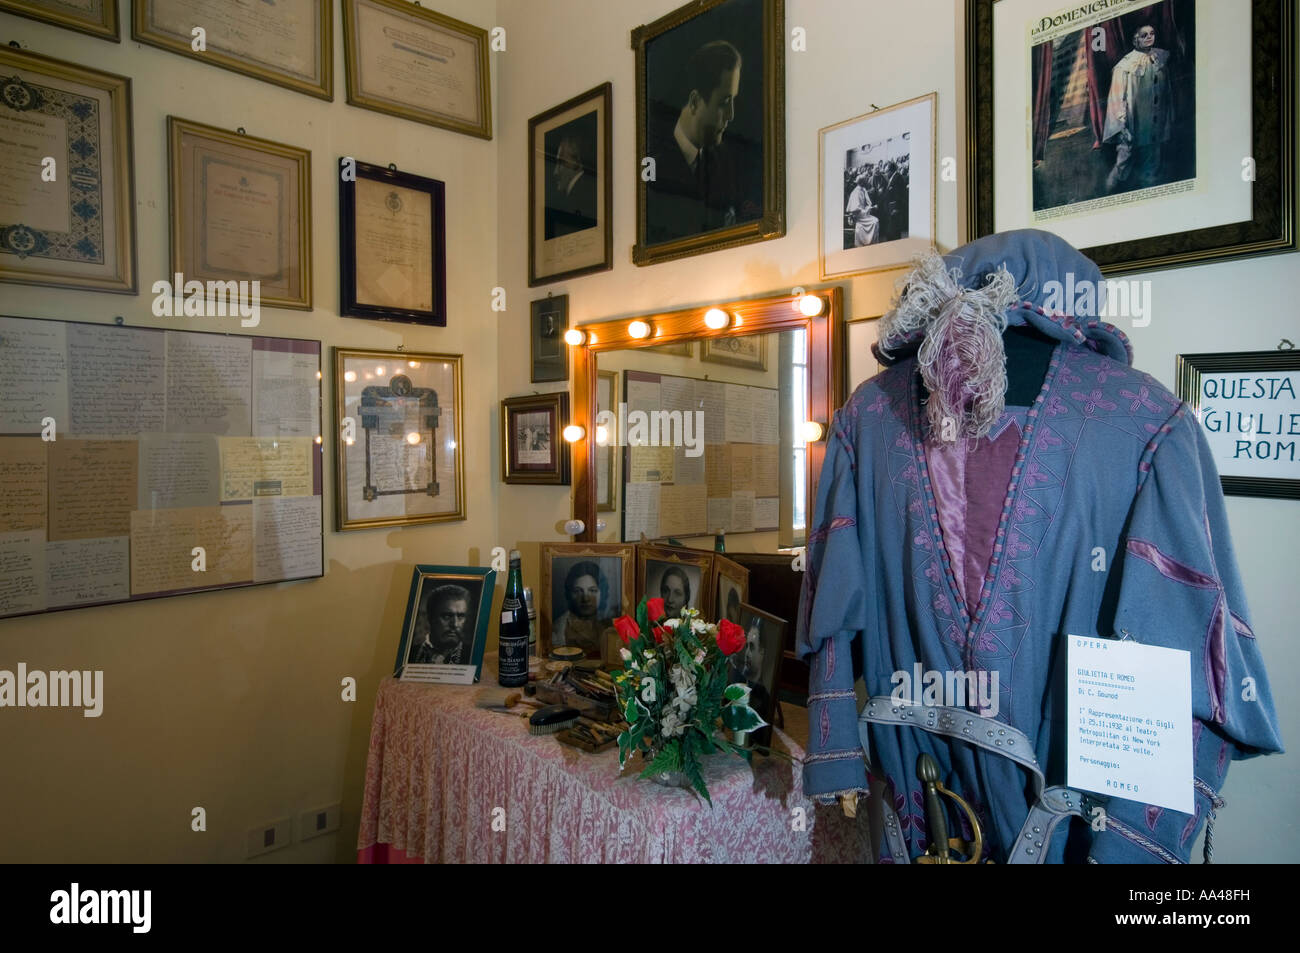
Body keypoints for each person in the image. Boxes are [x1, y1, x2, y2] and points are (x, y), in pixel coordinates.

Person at [646, 40, 753, 243]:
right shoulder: (651, 162)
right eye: (724, 102)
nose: (731, 116)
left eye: (733, 100)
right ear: (695, 102)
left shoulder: (727, 164)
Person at [1102, 23, 1175, 193]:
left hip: (1155, 121)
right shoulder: (1125, 66)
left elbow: (1167, 91)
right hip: (1133, 122)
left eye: (1152, 33)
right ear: (1136, 39)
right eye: (1144, 35)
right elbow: (1116, 98)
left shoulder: (1160, 57)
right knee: (1124, 162)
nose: (1149, 37)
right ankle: (1110, 191)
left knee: (1152, 159)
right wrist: (1121, 125)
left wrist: (1167, 118)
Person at [552, 561, 613, 655]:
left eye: (592, 590)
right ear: (569, 594)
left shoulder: (609, 626)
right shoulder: (558, 630)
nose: (585, 598)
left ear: (602, 593)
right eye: (578, 591)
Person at [544, 134, 597, 239]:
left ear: (576, 161)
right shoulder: (571, 197)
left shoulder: (583, 196)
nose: (555, 172)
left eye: (561, 162)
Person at [409, 584, 472, 664]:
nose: (455, 624)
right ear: (430, 618)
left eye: (460, 616)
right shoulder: (410, 655)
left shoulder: (473, 655)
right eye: (447, 616)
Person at [729, 616, 771, 720]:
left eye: (752, 647)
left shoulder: (765, 696)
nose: (747, 653)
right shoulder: (737, 678)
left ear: (762, 651)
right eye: (746, 646)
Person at [844, 170, 878, 247]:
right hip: (859, 216)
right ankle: (865, 242)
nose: (867, 181)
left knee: (876, 221)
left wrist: (870, 207)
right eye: (865, 180)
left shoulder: (863, 189)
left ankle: (872, 242)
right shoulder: (856, 192)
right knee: (875, 221)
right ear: (862, 182)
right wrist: (870, 209)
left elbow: (867, 203)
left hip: (863, 213)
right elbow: (856, 209)